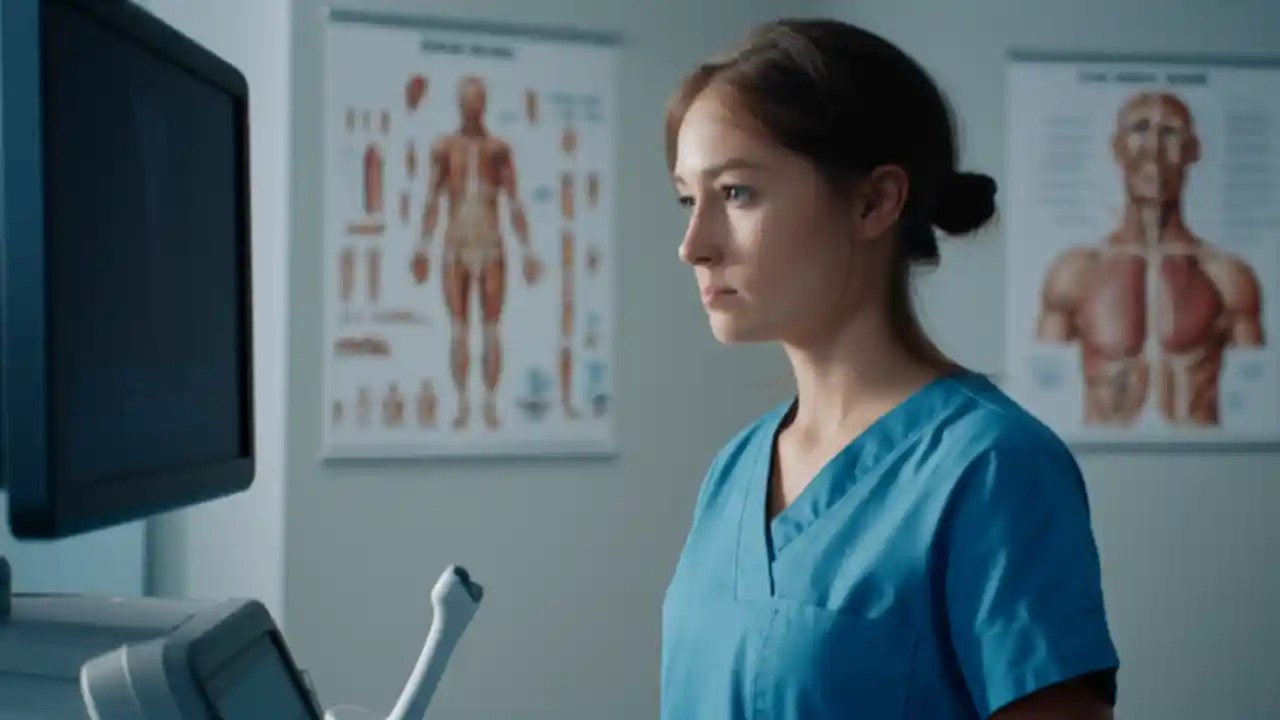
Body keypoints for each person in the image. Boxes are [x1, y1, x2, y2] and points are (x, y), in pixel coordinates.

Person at [661, 19, 1120, 720]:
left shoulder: (994, 470)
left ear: (876, 201)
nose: (694, 245)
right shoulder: (732, 474)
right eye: (689, 199)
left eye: (736, 193)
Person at [1037, 91, 1264, 427]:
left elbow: (1262, 401)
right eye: (1140, 129)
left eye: (1170, 131)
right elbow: (1039, 392)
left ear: (1193, 149)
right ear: (1117, 147)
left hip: (1203, 464)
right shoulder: (1075, 272)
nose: (1154, 149)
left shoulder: (1227, 275)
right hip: (1103, 464)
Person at [413, 76, 544, 430]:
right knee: (459, 329)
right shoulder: (445, 149)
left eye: (478, 100)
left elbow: (515, 202)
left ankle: (487, 403)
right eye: (467, 100)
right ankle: (461, 404)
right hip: (456, 242)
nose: (473, 107)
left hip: (490, 242)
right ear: (459, 103)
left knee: (489, 329)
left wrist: (529, 250)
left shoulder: (498, 150)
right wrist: (422, 247)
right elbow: (431, 199)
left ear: (484, 103)